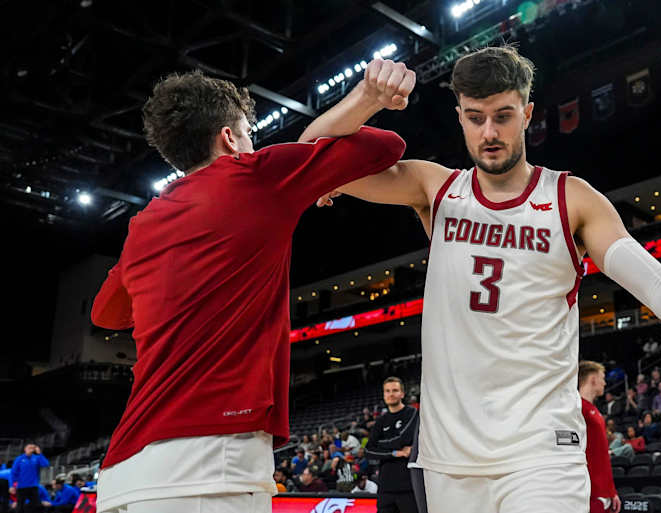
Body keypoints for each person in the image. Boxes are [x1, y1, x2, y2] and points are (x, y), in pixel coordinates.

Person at [317, 45, 661, 512]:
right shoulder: (434, 187)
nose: (489, 132)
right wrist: (367, 99)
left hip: (542, 450)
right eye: (475, 117)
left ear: (528, 114)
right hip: (449, 457)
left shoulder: (572, 198)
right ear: (460, 117)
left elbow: (655, 285)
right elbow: (306, 160)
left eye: (503, 115)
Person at [89, 61, 412, 513]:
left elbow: (105, 315)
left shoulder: (144, 222)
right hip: (208, 465)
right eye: (248, 134)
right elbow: (384, 147)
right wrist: (367, 100)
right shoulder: (255, 176)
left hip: (124, 474)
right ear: (228, 138)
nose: (252, 144)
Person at [366, 377, 419, 513]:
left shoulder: (412, 413)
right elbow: (369, 451)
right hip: (385, 487)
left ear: (402, 393)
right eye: (387, 391)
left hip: (408, 486)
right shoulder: (380, 421)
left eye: (395, 390)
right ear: (384, 395)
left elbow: (402, 438)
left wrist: (380, 444)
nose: (391, 394)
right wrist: (396, 453)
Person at [579, 361, 621, 513]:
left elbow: (602, 455)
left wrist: (611, 491)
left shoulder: (593, 410)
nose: (604, 382)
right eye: (602, 378)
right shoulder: (577, 407)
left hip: (603, 493)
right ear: (593, 379)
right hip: (589, 492)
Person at [10, 444, 48, 513]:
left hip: (33, 486)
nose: (31, 449)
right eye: (29, 447)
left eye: (33, 448)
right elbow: (14, 472)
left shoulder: (37, 458)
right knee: (20, 507)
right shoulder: (19, 459)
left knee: (37, 506)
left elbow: (45, 464)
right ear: (25, 449)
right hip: (21, 486)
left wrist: (40, 453)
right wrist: (12, 485)